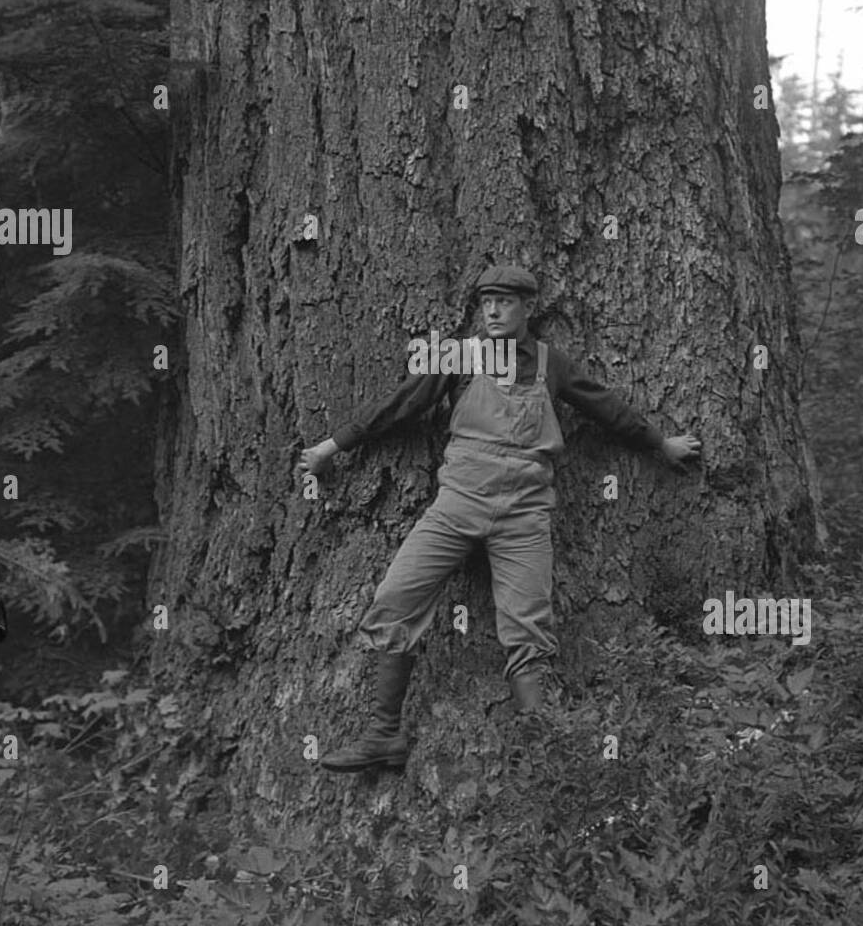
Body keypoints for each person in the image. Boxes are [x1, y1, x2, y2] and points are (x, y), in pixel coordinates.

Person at [297, 265, 701, 773]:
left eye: (505, 301)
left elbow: (605, 408)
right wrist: (333, 446)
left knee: (528, 629)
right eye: (486, 301)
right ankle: (383, 736)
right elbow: (401, 404)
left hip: (524, 515)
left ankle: (543, 758)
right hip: (457, 504)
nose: (492, 311)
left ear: (528, 308)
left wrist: (661, 443)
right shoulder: (459, 357)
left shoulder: (552, 365)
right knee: (393, 600)